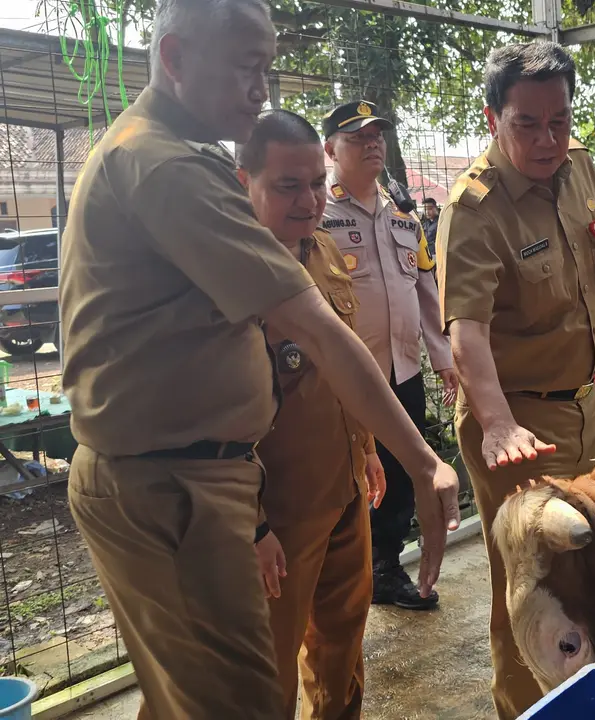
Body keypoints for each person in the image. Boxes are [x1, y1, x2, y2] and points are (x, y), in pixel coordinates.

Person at [57, 1, 459, 716]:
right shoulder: (162, 166)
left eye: (266, 67)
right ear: (175, 59)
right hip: (176, 488)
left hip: (202, 480)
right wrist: (425, 463)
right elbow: (313, 328)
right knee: (245, 701)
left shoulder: (158, 155)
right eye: (247, 67)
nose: (262, 88)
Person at [436, 40, 595, 719]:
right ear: (492, 118)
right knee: (529, 595)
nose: (547, 138)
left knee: (592, 573)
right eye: (526, 124)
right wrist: (498, 421)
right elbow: (465, 330)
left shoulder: (579, 169)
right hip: (519, 425)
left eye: (559, 120)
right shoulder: (474, 210)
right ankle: (524, 712)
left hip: (586, 408)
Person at [237, 109, 381, 720]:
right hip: (280, 516)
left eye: (317, 183)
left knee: (343, 647)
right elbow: (214, 418)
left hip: (344, 490)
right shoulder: (231, 274)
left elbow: (344, 364)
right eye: (287, 186)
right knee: (264, 671)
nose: (309, 200)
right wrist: (253, 524)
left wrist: (368, 449)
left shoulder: (321, 249)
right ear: (246, 181)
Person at [321, 99, 458, 610]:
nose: (373, 142)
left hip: (402, 370)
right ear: (330, 148)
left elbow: (426, 286)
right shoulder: (317, 215)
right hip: (344, 378)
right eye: (358, 136)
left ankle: (384, 568)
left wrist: (442, 355)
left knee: (401, 470)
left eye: (378, 135)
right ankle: (341, 569)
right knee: (347, 473)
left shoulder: (402, 213)